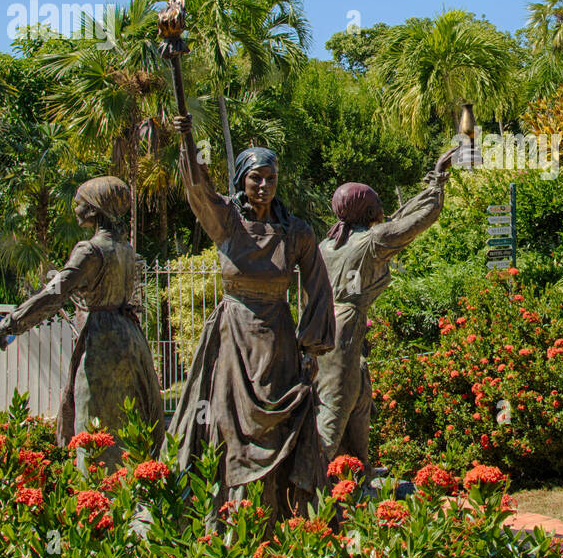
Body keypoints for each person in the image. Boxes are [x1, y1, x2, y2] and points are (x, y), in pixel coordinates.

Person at [168, 114, 335, 522]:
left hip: (276, 341)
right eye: (255, 178)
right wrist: (187, 139)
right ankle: (227, 516)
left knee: (278, 428)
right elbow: (196, 189)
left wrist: (310, 347)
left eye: (271, 179)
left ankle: (277, 517)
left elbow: (317, 286)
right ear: (242, 180)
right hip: (233, 339)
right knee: (226, 424)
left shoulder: (296, 232)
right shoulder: (227, 222)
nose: (263, 186)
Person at [0, 176, 164, 471]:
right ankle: (132, 493)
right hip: (131, 340)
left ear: (96, 207)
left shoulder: (91, 251)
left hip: (103, 345)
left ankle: (100, 499)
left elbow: (53, 295)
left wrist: (9, 325)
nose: (75, 208)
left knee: (95, 425)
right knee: (129, 421)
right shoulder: (124, 248)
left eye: (80, 202)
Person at [316, 148, 456, 478]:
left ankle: (359, 466)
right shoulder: (372, 240)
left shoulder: (330, 244)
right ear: (365, 208)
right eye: (374, 201)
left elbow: (395, 219)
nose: (380, 206)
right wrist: (437, 178)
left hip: (323, 327)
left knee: (360, 391)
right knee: (336, 403)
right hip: (345, 330)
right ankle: (315, 476)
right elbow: (419, 220)